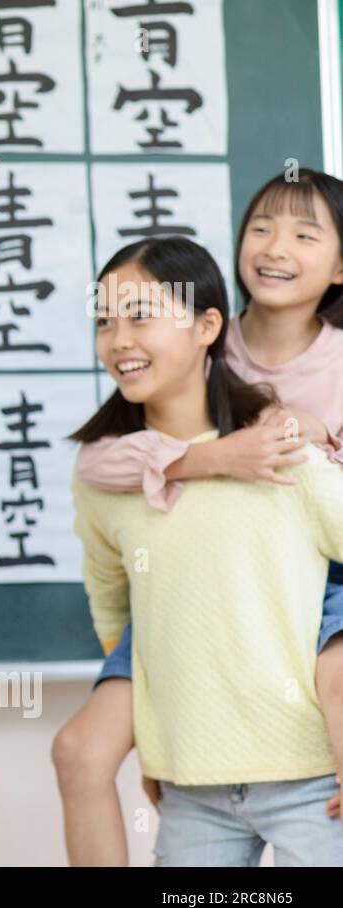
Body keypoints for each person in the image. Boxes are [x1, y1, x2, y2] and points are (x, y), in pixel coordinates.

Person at [68, 236, 343, 866]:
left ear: (207, 325)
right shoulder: (106, 478)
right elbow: (114, 613)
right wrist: (159, 734)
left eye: (140, 315)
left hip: (315, 781)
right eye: (104, 321)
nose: (118, 340)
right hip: (192, 790)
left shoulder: (281, 448)